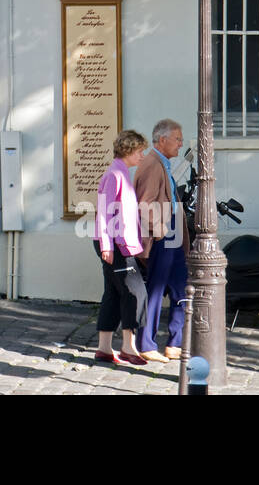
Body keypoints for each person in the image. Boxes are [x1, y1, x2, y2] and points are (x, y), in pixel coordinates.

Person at [92, 129, 149, 366]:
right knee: (136, 292)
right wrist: (107, 245)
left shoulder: (121, 173)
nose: (142, 156)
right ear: (128, 150)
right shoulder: (115, 175)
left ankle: (104, 348)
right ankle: (128, 346)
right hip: (115, 245)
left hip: (119, 244)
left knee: (114, 293)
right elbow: (104, 214)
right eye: (139, 151)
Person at [135, 118, 189, 363]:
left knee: (182, 285)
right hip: (163, 234)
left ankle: (175, 343)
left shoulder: (163, 163)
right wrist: (157, 228)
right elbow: (144, 203)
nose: (180, 144)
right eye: (177, 139)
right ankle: (145, 343)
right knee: (156, 289)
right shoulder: (152, 164)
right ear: (162, 139)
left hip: (173, 232)